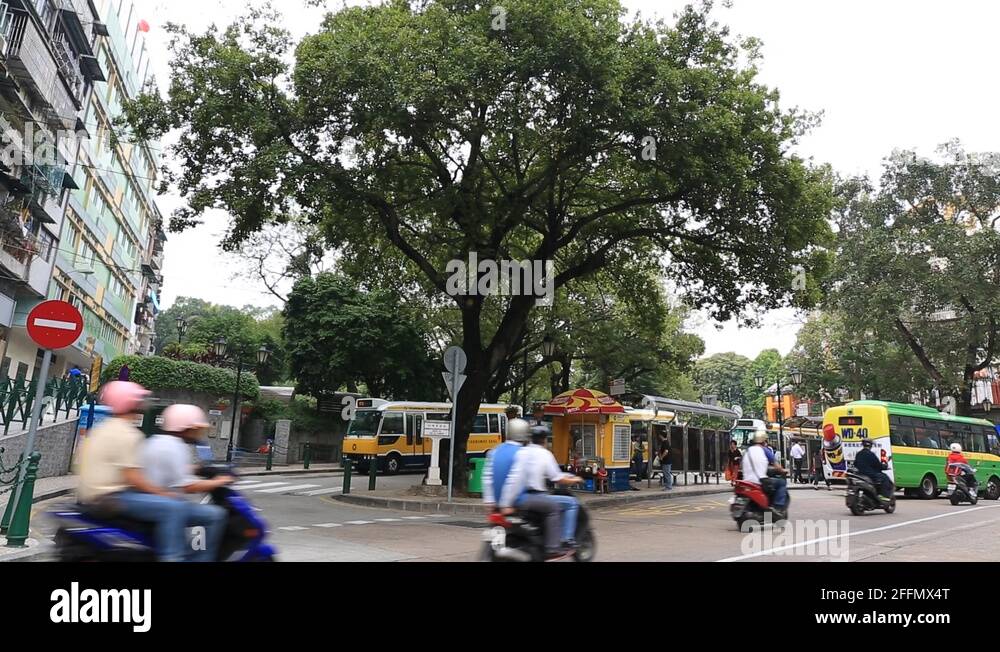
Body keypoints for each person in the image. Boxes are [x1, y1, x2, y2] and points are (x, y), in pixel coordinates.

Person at [76, 381, 191, 562]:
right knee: (173, 509)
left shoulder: (100, 430)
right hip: (111, 498)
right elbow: (133, 477)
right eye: (139, 400)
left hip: (91, 496)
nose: (143, 404)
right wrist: (163, 493)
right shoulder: (127, 434)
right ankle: (173, 557)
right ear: (129, 403)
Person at [142, 405, 234, 562]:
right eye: (196, 428)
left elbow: (170, 469)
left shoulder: (156, 441)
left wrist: (198, 469)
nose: (199, 432)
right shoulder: (175, 447)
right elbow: (188, 487)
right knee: (215, 515)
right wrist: (220, 481)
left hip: (152, 499)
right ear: (185, 427)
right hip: (165, 502)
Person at [483, 418, 561, 559]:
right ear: (525, 435)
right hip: (518, 501)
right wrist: (506, 504)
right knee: (552, 507)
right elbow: (515, 480)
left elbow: (487, 478)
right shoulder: (523, 453)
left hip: (496, 502)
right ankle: (552, 548)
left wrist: (490, 501)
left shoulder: (495, 451)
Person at [500, 425, 584, 555]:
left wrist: (506, 502)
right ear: (545, 440)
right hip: (535, 497)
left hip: (519, 497)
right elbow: (557, 477)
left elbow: (514, 478)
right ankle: (562, 542)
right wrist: (575, 480)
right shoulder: (545, 454)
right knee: (570, 504)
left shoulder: (522, 452)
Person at [741, 432, 788, 511]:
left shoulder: (747, 451)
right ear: (763, 441)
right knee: (781, 482)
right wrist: (783, 471)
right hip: (760, 481)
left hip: (746, 482)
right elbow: (777, 466)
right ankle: (778, 507)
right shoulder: (765, 450)